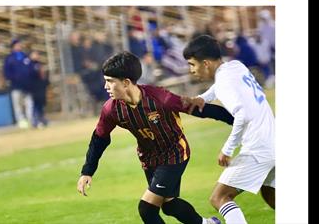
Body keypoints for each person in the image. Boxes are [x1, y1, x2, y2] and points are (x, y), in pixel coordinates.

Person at [76, 52, 233, 224]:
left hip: (175, 153)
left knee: (147, 209)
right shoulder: (111, 109)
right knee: (170, 205)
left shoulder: (161, 99)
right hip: (149, 158)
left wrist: (237, 121)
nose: (106, 86)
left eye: (110, 81)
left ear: (126, 83)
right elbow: (99, 139)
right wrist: (87, 171)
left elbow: (201, 110)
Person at [183, 35, 276, 223]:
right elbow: (220, 87)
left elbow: (242, 115)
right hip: (274, 141)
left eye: (193, 64)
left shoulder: (224, 81)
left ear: (206, 63)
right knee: (270, 191)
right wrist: (203, 98)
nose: (191, 70)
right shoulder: (235, 66)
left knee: (219, 198)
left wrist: (227, 149)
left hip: (258, 149)